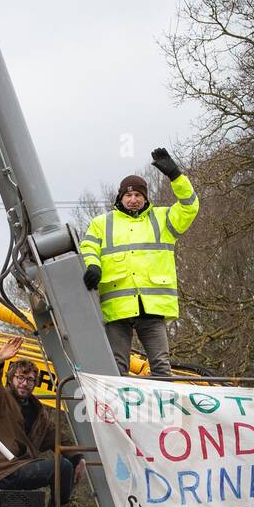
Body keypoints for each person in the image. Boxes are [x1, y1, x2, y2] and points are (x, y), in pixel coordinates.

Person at [80, 147, 200, 378]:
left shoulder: (163, 219)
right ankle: (117, 413)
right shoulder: (101, 223)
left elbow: (190, 206)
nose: (133, 199)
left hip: (151, 307)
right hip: (117, 306)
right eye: (128, 195)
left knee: (161, 366)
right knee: (116, 368)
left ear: (145, 197)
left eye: (138, 195)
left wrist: (176, 176)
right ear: (120, 197)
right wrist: (93, 265)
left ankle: (164, 412)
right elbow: (88, 247)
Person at [0, 336, 93, 507]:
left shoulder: (37, 411)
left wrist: (78, 458)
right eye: (20, 378)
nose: (25, 383)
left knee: (67, 464)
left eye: (30, 380)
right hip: (5, 469)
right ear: (10, 378)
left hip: (22, 467)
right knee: (60, 466)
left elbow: (55, 436)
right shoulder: (0, 400)